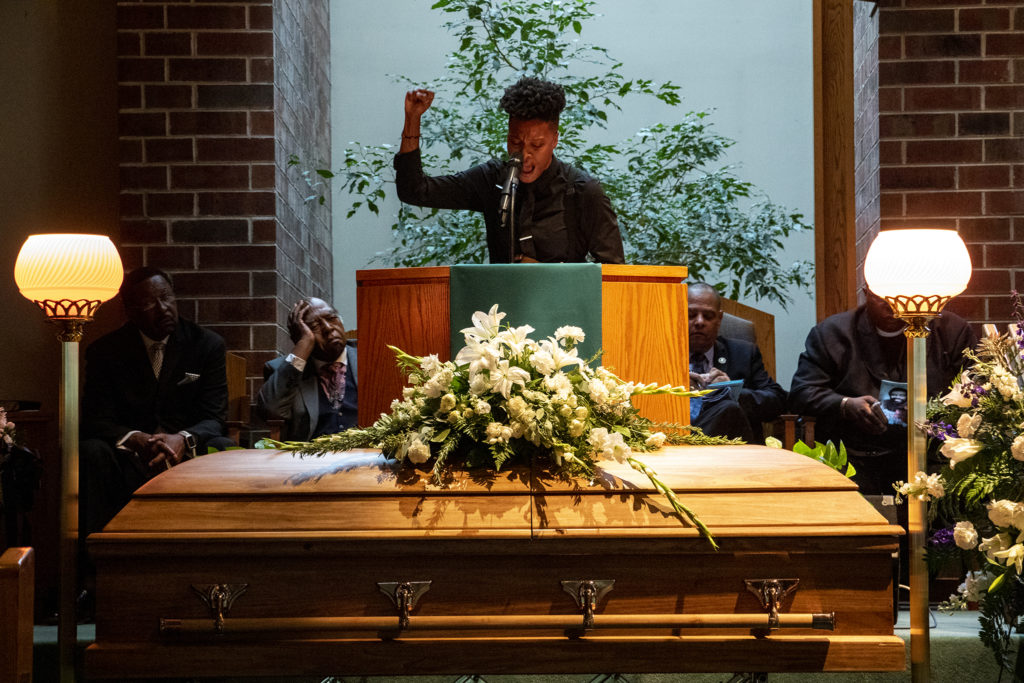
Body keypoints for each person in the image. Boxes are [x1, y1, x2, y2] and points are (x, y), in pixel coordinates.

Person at [394, 76, 625, 264]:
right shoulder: (491, 180)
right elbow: (414, 190)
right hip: (502, 317)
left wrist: (548, 276)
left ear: (555, 140)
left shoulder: (583, 192)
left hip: (567, 318)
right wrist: (412, 120)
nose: (524, 155)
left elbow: (615, 275)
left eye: (537, 145)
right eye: (515, 142)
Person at [80, 266, 232, 539]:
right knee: (91, 451)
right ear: (131, 311)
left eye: (166, 297)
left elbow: (214, 417)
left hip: (188, 453)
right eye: (150, 302)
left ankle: (223, 553)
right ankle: (96, 562)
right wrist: (137, 439)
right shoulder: (105, 352)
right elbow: (95, 420)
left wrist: (182, 439)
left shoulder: (207, 345)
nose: (163, 308)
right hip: (128, 456)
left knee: (224, 446)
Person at [789, 288, 977, 495]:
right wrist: (845, 404)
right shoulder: (833, 333)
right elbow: (802, 392)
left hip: (933, 454)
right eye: (881, 296)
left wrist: (936, 411)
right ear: (865, 293)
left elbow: (977, 390)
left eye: (899, 295)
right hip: (858, 454)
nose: (890, 303)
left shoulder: (951, 330)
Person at [687, 282, 787, 442]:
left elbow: (778, 400)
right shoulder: (660, 355)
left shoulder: (743, 353)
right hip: (677, 437)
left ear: (719, 319)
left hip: (733, 444)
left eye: (708, 316)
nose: (699, 322)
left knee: (729, 408)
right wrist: (674, 388)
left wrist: (733, 392)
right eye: (691, 315)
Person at [257, 298, 358, 441]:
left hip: (369, 454)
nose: (328, 328)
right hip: (310, 458)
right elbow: (271, 411)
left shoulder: (369, 356)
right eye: (314, 326)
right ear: (300, 336)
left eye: (331, 318)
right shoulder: (282, 369)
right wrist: (303, 346)